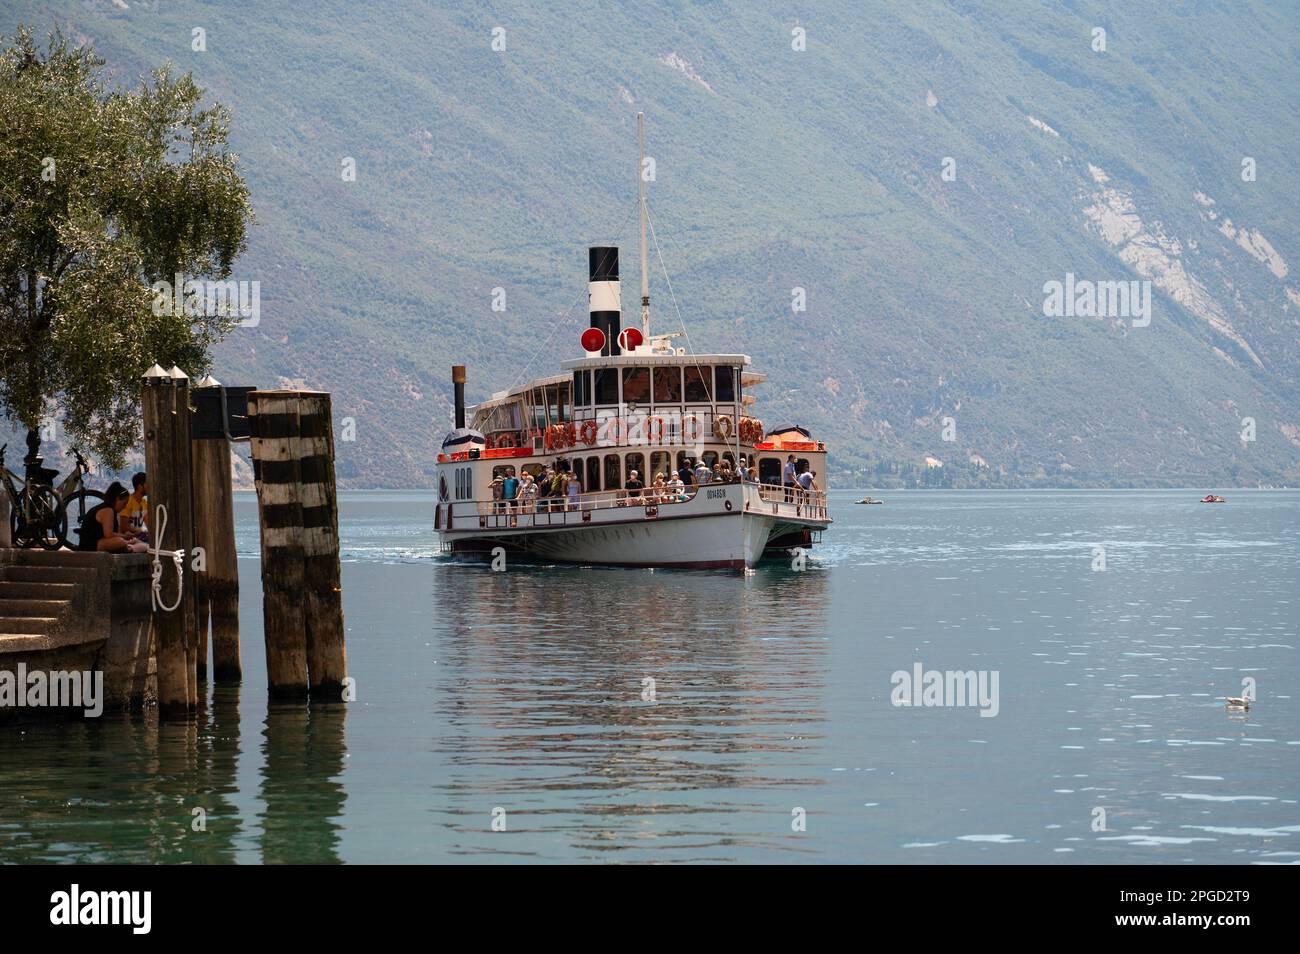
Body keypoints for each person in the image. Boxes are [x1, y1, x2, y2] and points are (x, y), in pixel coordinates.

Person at [78, 482, 146, 553]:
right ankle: (130, 547)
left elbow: (117, 533)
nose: (124, 507)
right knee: (120, 542)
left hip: (101, 542)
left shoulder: (114, 512)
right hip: (90, 545)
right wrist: (125, 537)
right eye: (124, 503)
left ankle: (131, 546)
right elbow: (108, 534)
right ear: (117, 499)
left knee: (128, 540)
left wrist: (127, 536)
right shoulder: (107, 510)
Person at [121, 472, 149, 542]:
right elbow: (124, 526)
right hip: (127, 537)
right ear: (140, 486)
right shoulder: (128, 501)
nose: (150, 486)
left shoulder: (144, 503)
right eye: (147, 484)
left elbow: (149, 524)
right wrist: (141, 530)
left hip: (139, 536)